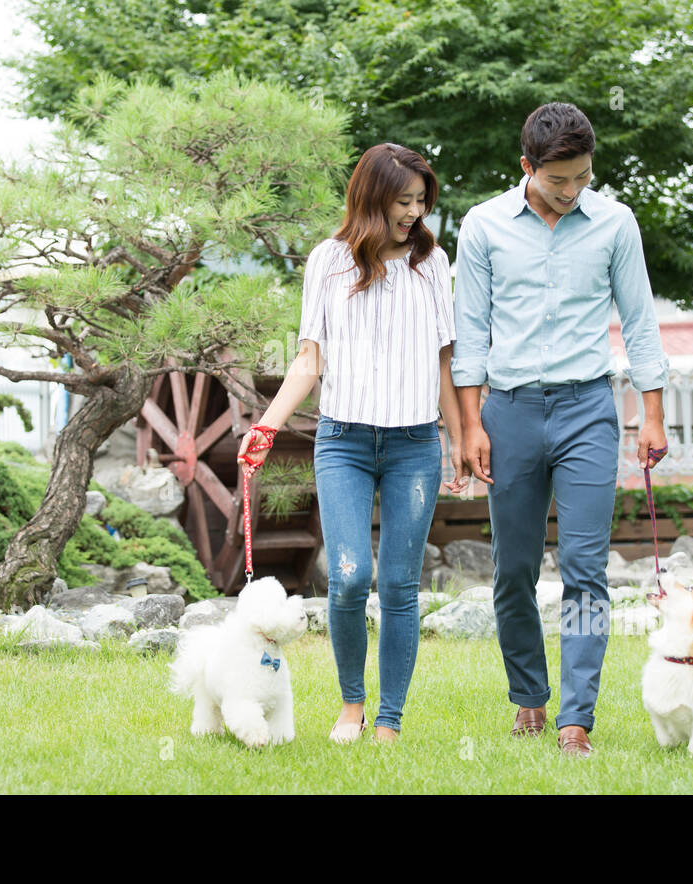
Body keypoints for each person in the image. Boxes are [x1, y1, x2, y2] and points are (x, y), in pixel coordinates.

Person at [451, 102, 670, 758]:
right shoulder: (484, 226)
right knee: (513, 569)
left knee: (583, 567)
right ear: (528, 167)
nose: (572, 191)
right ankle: (529, 696)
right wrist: (469, 425)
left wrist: (651, 412)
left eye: (582, 177)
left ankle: (577, 717)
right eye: (558, 181)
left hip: (587, 412)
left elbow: (639, 319)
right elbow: (469, 334)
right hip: (509, 412)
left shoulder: (614, 223)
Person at [237, 143, 467, 745]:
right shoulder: (328, 262)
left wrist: (463, 440)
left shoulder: (432, 264)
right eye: (404, 201)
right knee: (346, 576)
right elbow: (309, 360)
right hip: (343, 441)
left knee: (397, 585)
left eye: (422, 201)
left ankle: (389, 718)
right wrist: (266, 426)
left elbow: (446, 363)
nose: (415, 213)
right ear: (371, 199)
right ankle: (351, 704)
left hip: (416, 443)